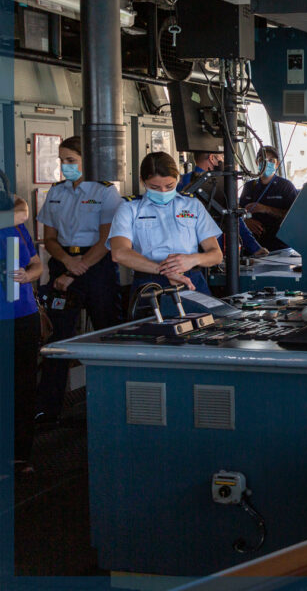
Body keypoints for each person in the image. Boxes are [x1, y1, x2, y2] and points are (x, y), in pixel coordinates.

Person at [33, 136, 123, 425]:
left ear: (87, 161)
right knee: (56, 341)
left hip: (95, 267)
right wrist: (67, 264)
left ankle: (116, 404)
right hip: (63, 263)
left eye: (70, 160)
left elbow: (107, 238)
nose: (64, 166)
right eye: (61, 161)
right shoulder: (56, 193)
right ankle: (47, 411)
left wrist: (76, 270)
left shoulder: (106, 192)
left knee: (108, 336)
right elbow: (48, 238)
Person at [108, 152, 223, 303]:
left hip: (191, 280)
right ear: (143, 181)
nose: (163, 192)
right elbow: (119, 253)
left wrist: (193, 259)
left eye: (169, 186)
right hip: (150, 283)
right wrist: (164, 271)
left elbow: (216, 255)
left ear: (178, 179)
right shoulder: (129, 208)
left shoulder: (192, 205)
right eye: (155, 187)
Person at [1, 170, 44, 476]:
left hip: (22, 314)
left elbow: (36, 262)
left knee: (24, 385)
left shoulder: (15, 224)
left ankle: (19, 454)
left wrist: (30, 275)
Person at [179, 150, 268, 257]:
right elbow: (234, 217)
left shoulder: (181, 183)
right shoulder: (219, 185)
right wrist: (255, 248)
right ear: (212, 158)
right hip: (214, 251)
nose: (224, 161)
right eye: (222, 157)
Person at [239, 146, 297, 252]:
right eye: (263, 160)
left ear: (277, 164)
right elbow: (237, 213)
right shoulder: (249, 186)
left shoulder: (286, 186)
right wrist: (246, 221)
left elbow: (294, 216)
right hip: (253, 248)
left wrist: (266, 209)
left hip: (280, 247)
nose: (267, 163)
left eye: (271, 160)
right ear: (257, 163)